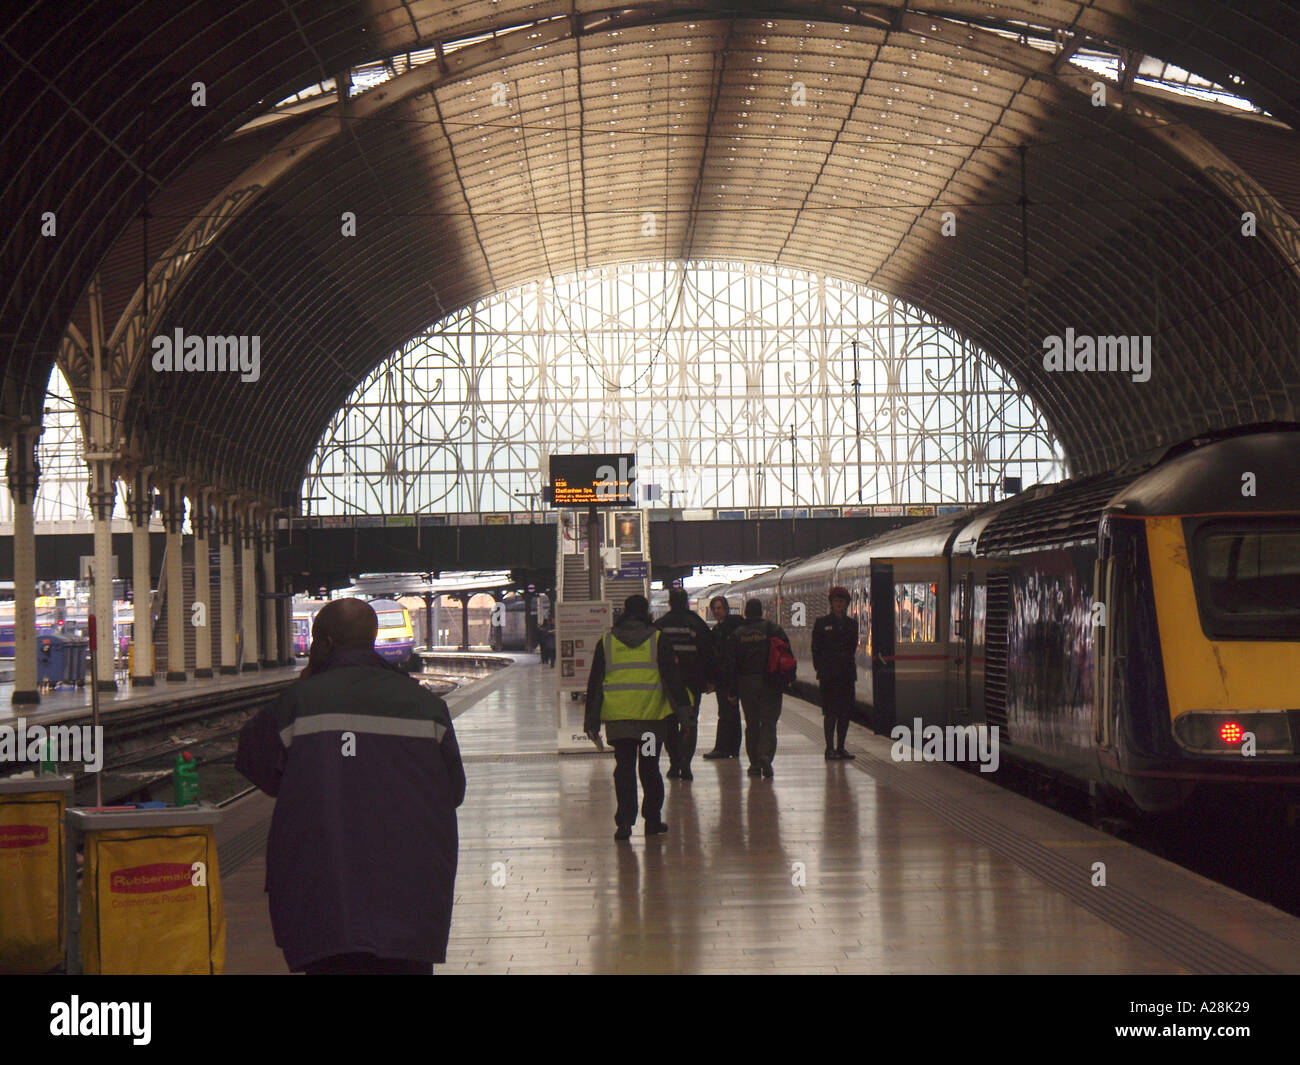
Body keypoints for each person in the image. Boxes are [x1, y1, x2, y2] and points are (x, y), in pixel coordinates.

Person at [234, 598, 466, 974]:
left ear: (325, 644)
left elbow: (253, 762)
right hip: (409, 895)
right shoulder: (426, 706)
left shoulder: (298, 703)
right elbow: (453, 791)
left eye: (313, 641)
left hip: (322, 893)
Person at [584, 594, 691, 840]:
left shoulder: (607, 642)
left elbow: (595, 684)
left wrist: (590, 721)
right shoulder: (658, 640)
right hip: (650, 724)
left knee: (624, 769)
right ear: (647, 612)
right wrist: (685, 717)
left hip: (620, 724)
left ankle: (624, 823)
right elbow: (672, 680)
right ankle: (652, 820)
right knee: (650, 767)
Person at [717, 598, 791, 779]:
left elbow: (731, 665)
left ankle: (755, 763)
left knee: (752, 724)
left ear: (746, 613)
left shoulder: (737, 634)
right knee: (769, 723)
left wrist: (732, 692)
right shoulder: (773, 629)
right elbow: (787, 655)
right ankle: (766, 754)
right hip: (771, 682)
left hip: (746, 684)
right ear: (762, 612)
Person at [654, 587, 714, 781]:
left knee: (670, 725)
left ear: (670, 602)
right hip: (692, 684)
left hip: (667, 685)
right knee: (689, 723)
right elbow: (708, 654)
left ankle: (674, 762)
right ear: (687, 601)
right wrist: (709, 680)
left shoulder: (660, 625)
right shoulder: (696, 624)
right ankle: (686, 764)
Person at [812, 585, 859, 760]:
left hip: (846, 675)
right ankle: (829, 748)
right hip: (829, 675)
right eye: (836, 601)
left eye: (842, 601)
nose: (839, 604)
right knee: (830, 713)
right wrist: (821, 668)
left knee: (845, 713)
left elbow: (852, 647)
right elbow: (815, 648)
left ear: (846, 604)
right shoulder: (822, 623)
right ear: (831, 603)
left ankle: (841, 747)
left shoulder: (852, 624)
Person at [701, 596, 744, 759]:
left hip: (729, 677)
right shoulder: (720, 629)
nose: (717, 611)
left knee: (727, 713)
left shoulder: (729, 628)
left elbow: (722, 656)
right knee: (730, 713)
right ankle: (732, 748)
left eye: (719, 608)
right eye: (715, 609)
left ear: (725, 608)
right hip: (725, 678)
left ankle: (723, 748)